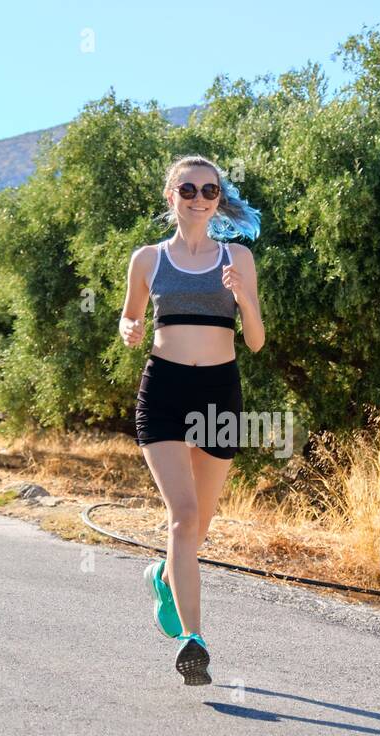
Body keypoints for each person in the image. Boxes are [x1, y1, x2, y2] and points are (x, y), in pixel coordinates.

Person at [119, 155, 264, 686]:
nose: (199, 197)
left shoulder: (238, 257)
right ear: (171, 195)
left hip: (219, 394)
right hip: (165, 390)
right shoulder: (148, 259)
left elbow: (255, 340)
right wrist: (128, 329)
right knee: (182, 516)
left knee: (200, 525)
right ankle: (193, 640)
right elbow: (131, 315)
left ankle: (162, 576)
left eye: (209, 189)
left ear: (218, 197)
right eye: (188, 189)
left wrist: (245, 298)